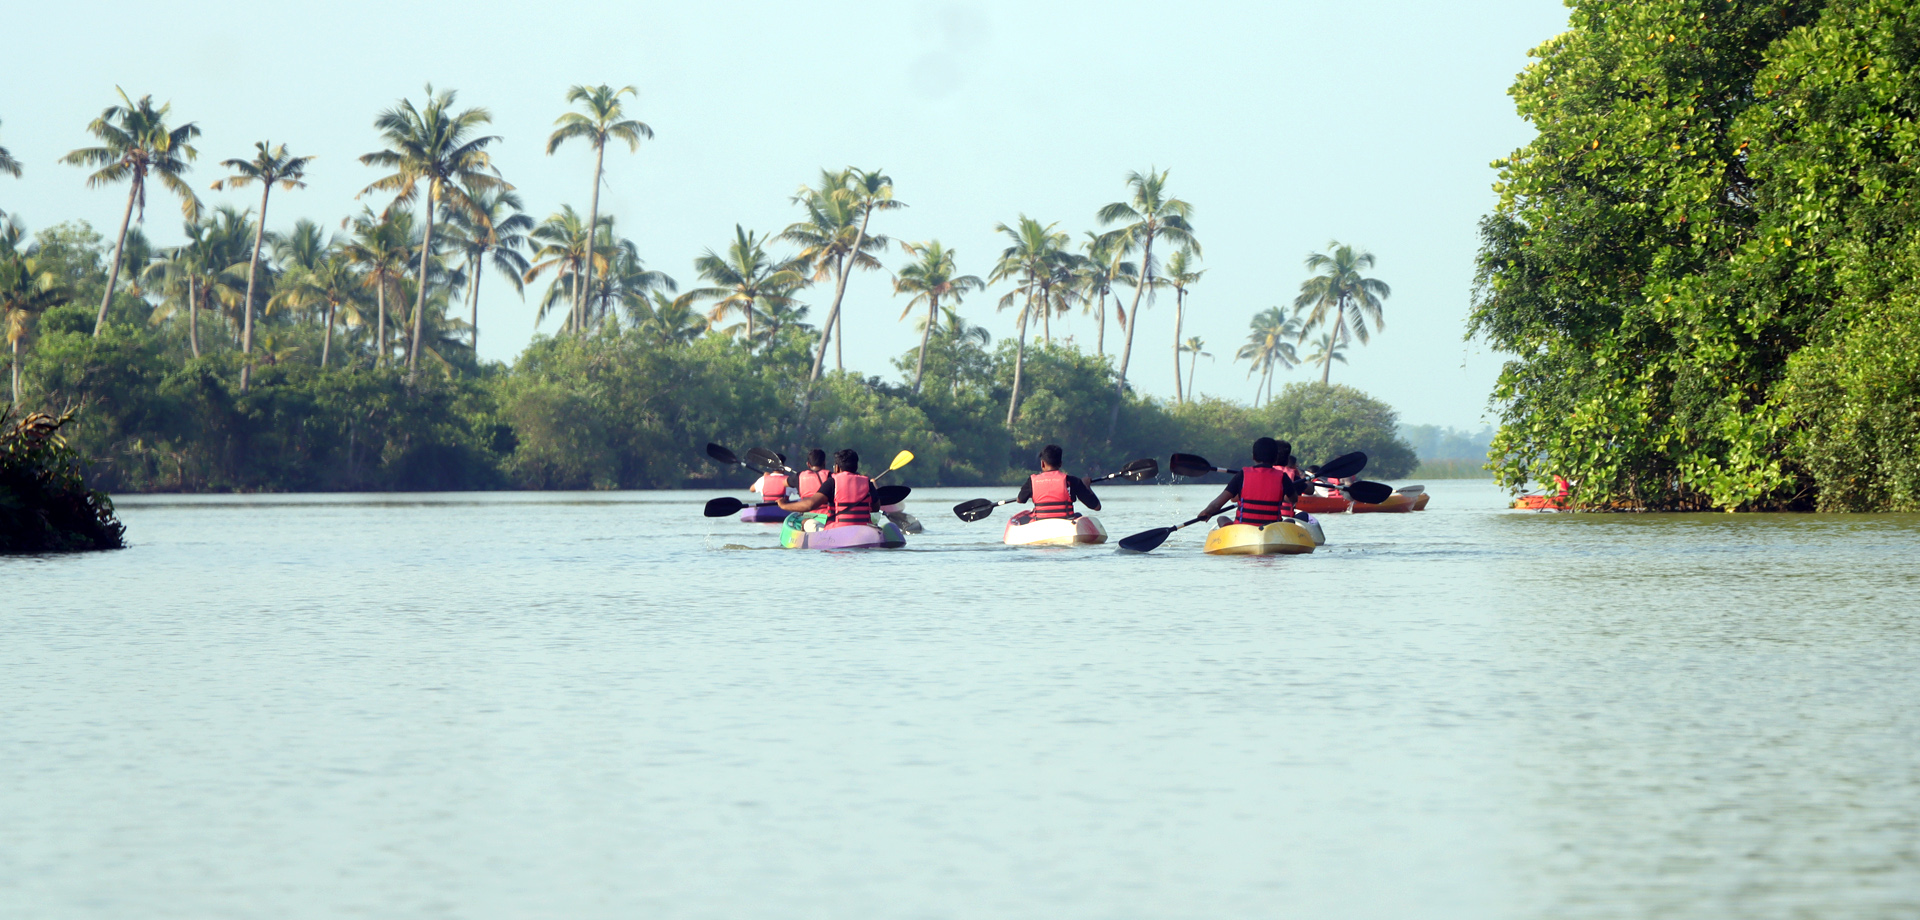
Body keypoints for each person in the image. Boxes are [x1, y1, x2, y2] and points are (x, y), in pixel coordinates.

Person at [1195, 437, 1306, 526]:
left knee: (1221, 518)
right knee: (1290, 521)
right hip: (1271, 529)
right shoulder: (1282, 477)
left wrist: (1206, 512)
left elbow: (1216, 505)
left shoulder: (1242, 474)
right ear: (1275, 458)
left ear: (1253, 457)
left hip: (1243, 530)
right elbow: (1293, 499)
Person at [779, 449, 880, 529]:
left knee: (805, 522)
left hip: (837, 530)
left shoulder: (832, 482)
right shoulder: (867, 483)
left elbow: (810, 505)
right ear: (856, 466)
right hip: (863, 529)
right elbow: (876, 508)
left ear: (837, 468)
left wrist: (784, 505)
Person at [1014, 444, 1103, 520]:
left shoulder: (1032, 481)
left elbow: (1020, 500)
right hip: (1066, 522)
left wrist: (1032, 492)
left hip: (1040, 522)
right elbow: (1096, 506)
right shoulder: (1072, 481)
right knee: (1078, 515)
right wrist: (1086, 486)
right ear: (1060, 464)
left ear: (1042, 464)